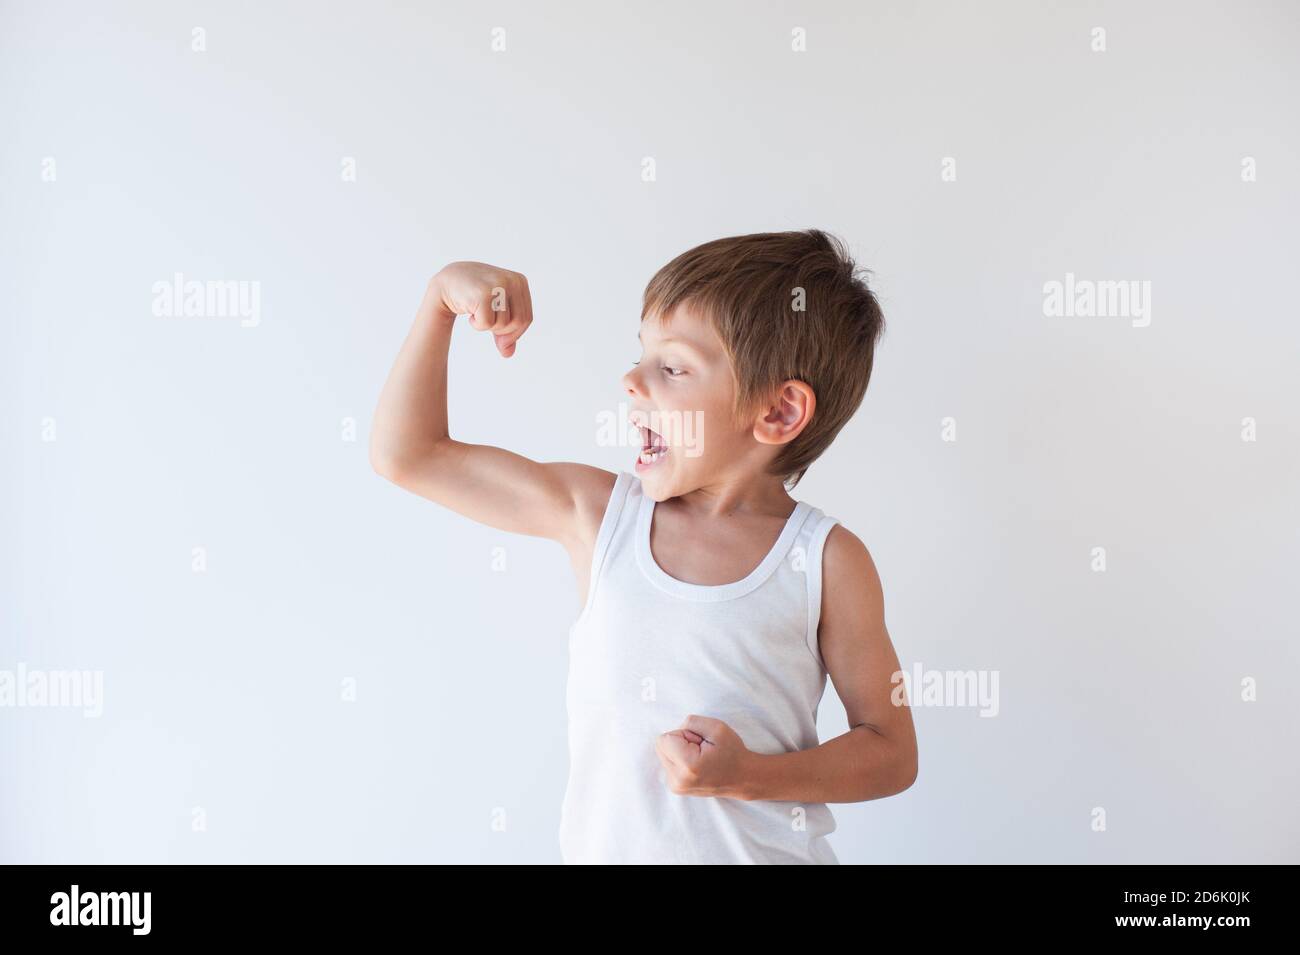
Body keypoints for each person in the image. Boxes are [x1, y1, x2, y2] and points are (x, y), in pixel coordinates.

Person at [370, 229, 918, 863]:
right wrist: (440, 302)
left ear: (778, 413)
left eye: (673, 366)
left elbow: (890, 750)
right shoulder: (600, 517)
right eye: (640, 355)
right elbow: (408, 455)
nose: (631, 379)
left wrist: (750, 777)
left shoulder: (827, 560)